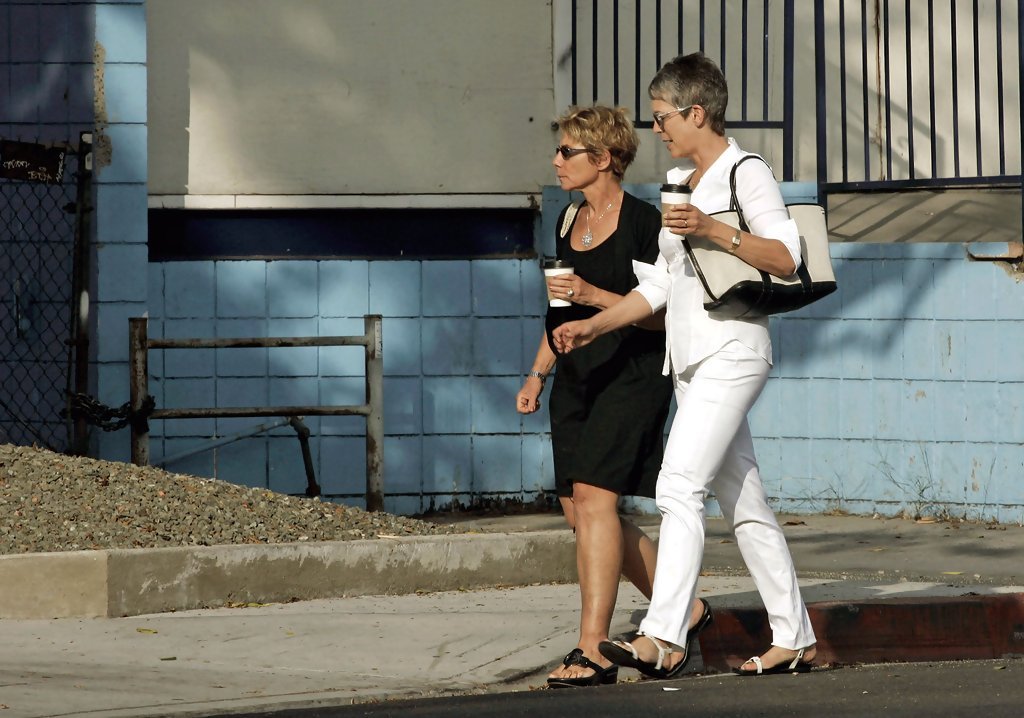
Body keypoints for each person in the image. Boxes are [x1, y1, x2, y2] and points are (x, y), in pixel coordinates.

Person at [552, 52, 817, 678]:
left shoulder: (743, 172)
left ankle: (663, 635)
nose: (657, 131)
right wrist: (596, 321)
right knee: (744, 504)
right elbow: (662, 288)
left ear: (697, 112)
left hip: (734, 349)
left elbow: (785, 256)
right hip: (693, 363)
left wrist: (710, 228)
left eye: (663, 117)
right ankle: (795, 636)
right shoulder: (682, 182)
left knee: (676, 487)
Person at [516, 105, 673, 688]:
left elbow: (665, 318)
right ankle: (682, 611)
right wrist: (537, 373)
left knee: (595, 498)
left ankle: (592, 649)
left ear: (602, 158)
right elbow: (560, 310)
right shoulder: (565, 221)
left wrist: (594, 294)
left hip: (632, 374)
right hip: (577, 373)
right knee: (577, 510)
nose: (555, 161)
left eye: (567, 152)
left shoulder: (645, 224)